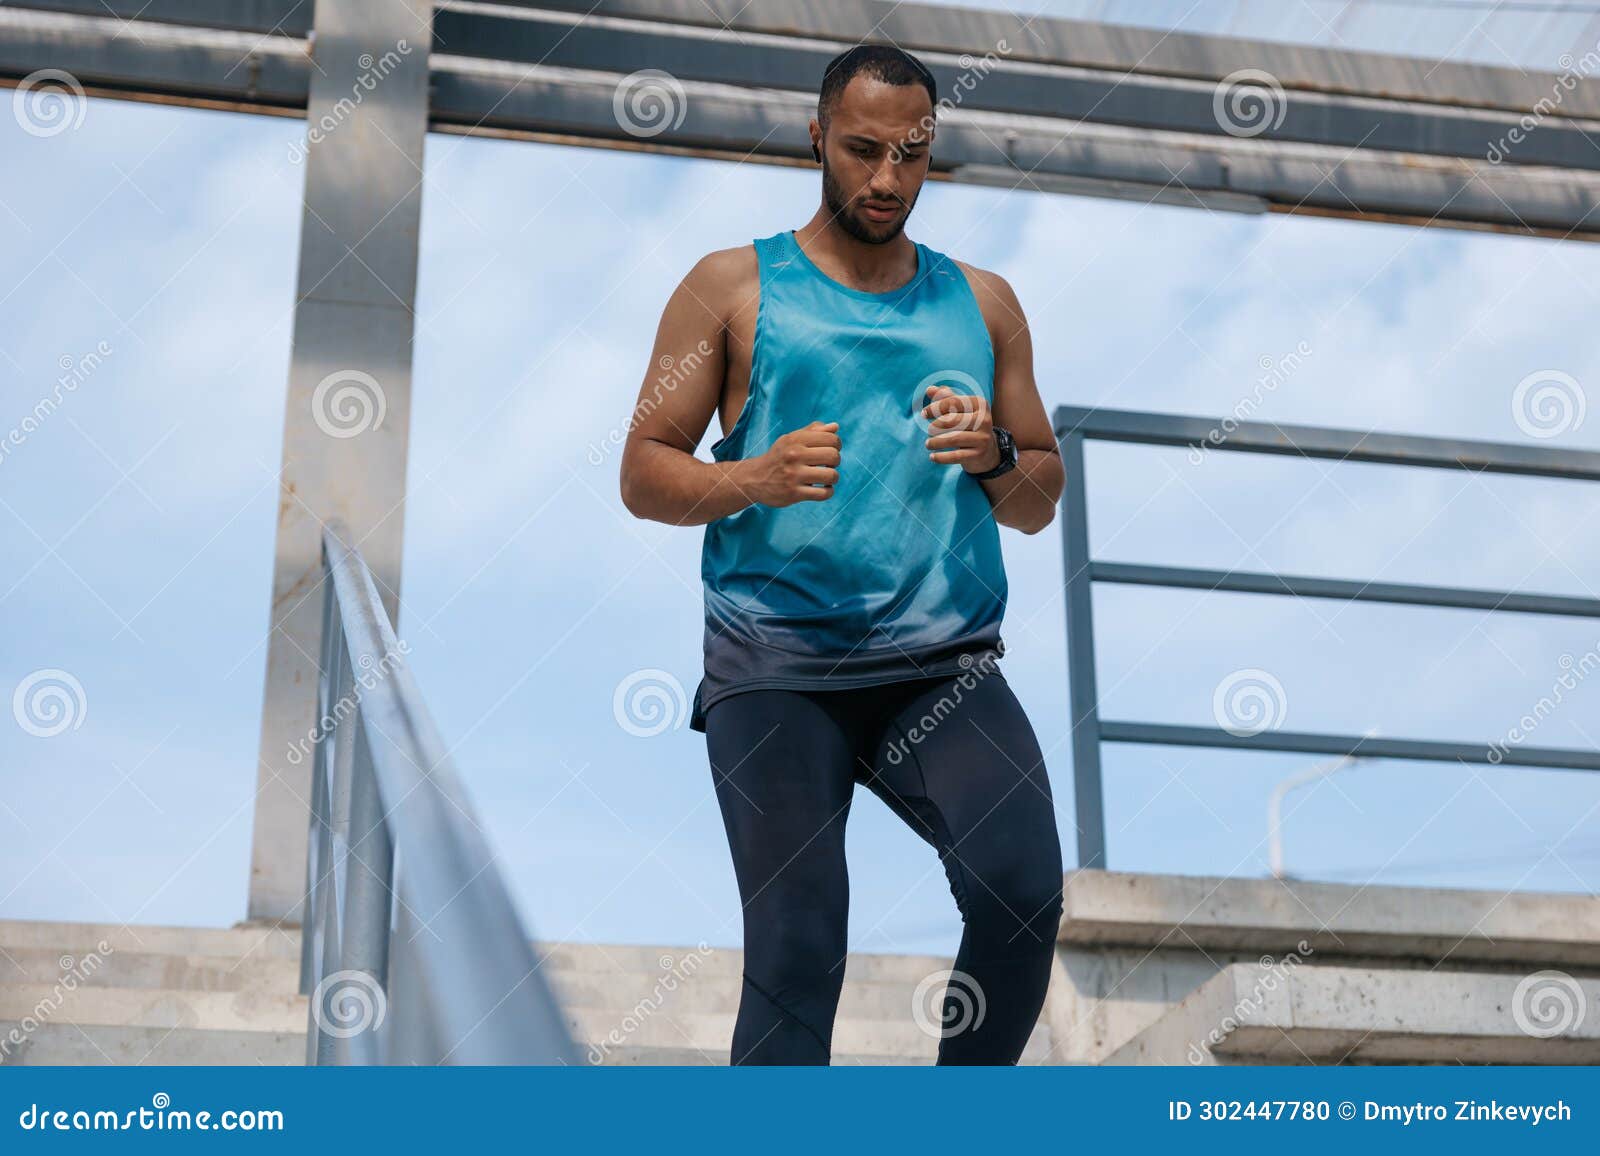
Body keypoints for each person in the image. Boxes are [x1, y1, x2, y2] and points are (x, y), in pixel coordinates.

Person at [619, 43, 1064, 1065]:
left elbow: (1038, 500)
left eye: (909, 155)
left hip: (941, 670)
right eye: (862, 150)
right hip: (776, 669)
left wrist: (994, 454)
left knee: (1022, 893)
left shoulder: (984, 302)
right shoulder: (729, 286)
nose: (885, 179)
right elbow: (643, 471)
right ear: (817, 136)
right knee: (799, 944)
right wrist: (752, 478)